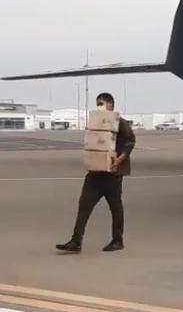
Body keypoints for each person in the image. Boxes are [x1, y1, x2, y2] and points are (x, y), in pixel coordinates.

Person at [56, 92, 135, 253]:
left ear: (110, 105)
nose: (99, 106)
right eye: (97, 103)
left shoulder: (120, 122)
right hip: (94, 173)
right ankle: (76, 240)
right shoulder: (95, 123)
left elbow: (130, 141)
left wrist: (119, 159)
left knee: (115, 207)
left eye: (102, 103)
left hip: (112, 174)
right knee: (84, 205)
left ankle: (118, 240)